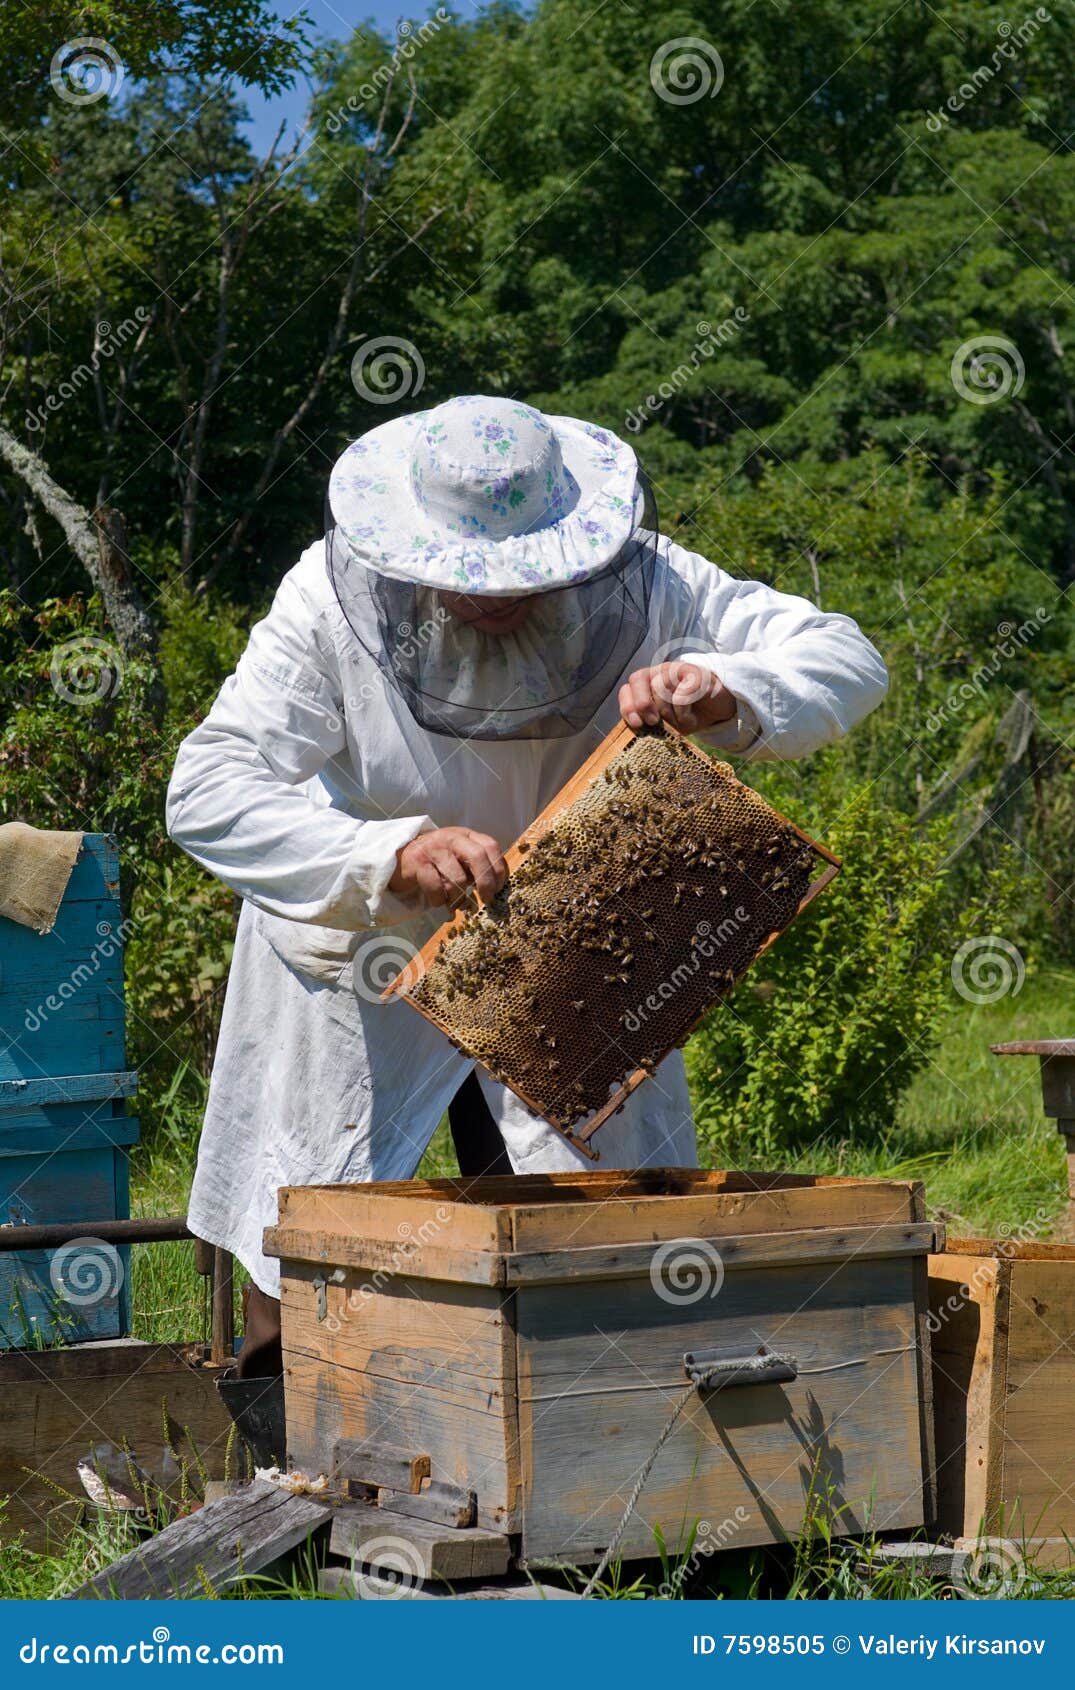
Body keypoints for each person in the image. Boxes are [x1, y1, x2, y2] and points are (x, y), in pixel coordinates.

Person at [166, 394, 887, 1377]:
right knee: (309, 1268)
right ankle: (290, 1492)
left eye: (523, 574)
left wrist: (727, 688)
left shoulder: (652, 584)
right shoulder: (327, 606)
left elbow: (844, 653)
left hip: (568, 965)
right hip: (360, 966)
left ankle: (577, 1502)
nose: (494, 600)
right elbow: (207, 790)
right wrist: (384, 858)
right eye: (470, 577)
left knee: (588, 1265)